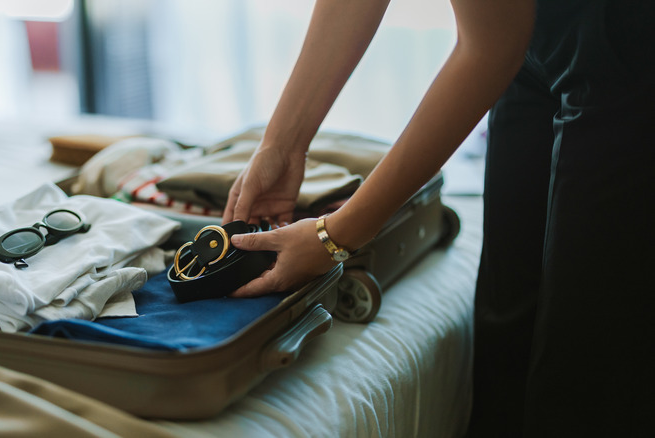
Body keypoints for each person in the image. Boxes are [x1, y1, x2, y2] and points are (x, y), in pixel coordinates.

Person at [221, 0, 655, 436]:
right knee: (506, 328)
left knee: (582, 363)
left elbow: (489, 48)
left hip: (628, 48)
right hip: (532, 46)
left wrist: (334, 236)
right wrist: (281, 145)